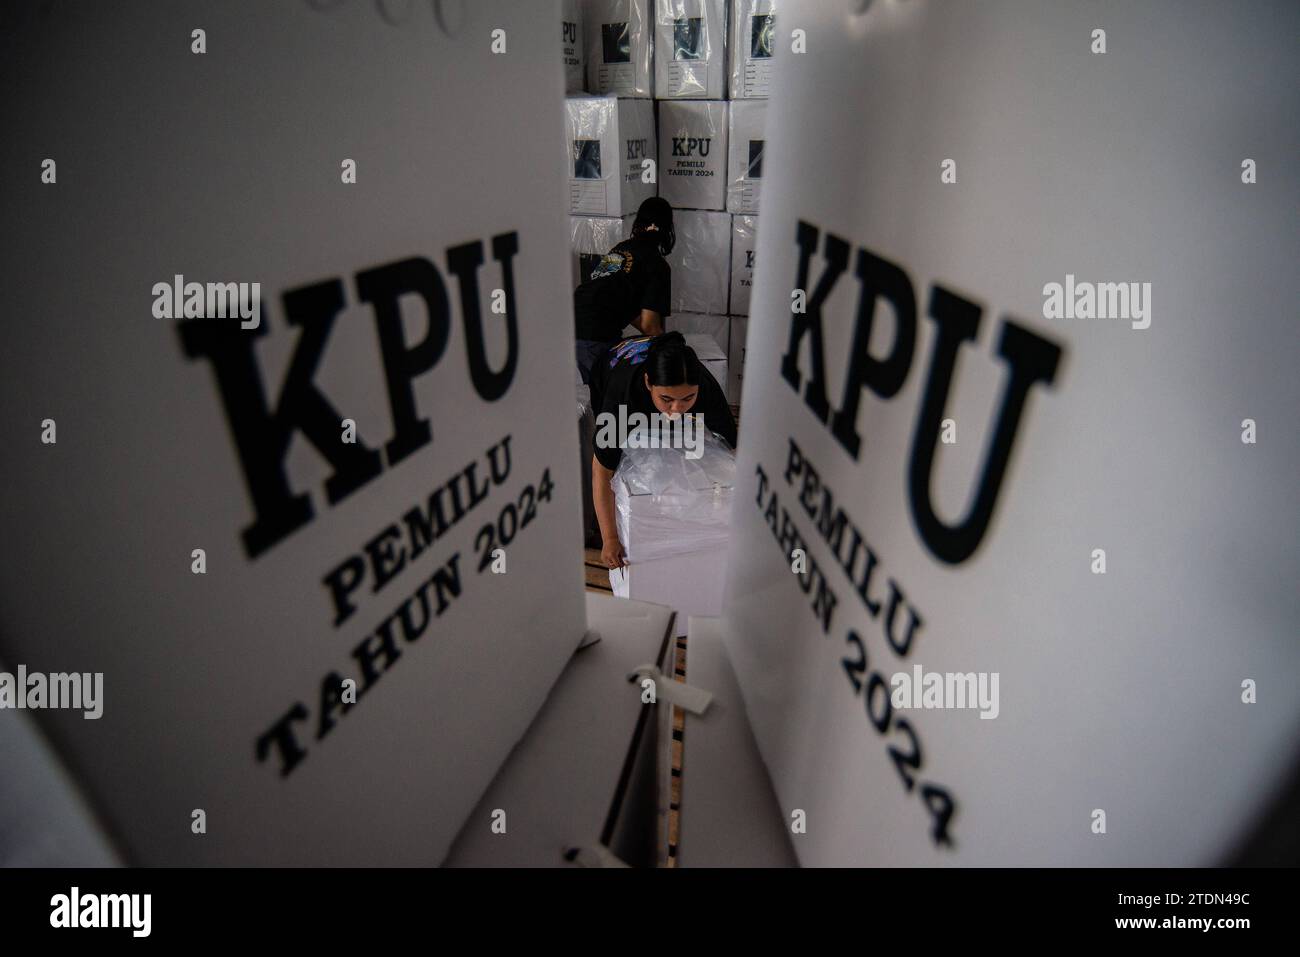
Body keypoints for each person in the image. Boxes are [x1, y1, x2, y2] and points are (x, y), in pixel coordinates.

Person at [590, 331, 738, 570]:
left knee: (683, 445)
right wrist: (610, 538)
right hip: (611, 365)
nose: (677, 408)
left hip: (653, 384)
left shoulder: (706, 389)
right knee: (616, 457)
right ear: (649, 383)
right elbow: (601, 470)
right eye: (667, 399)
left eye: (688, 399)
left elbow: (732, 452)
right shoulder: (622, 400)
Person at [573, 197, 674, 384]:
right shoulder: (657, 265)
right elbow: (650, 327)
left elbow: (608, 293)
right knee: (603, 395)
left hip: (571, 321)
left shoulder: (621, 249)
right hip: (594, 335)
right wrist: (669, 349)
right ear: (667, 228)